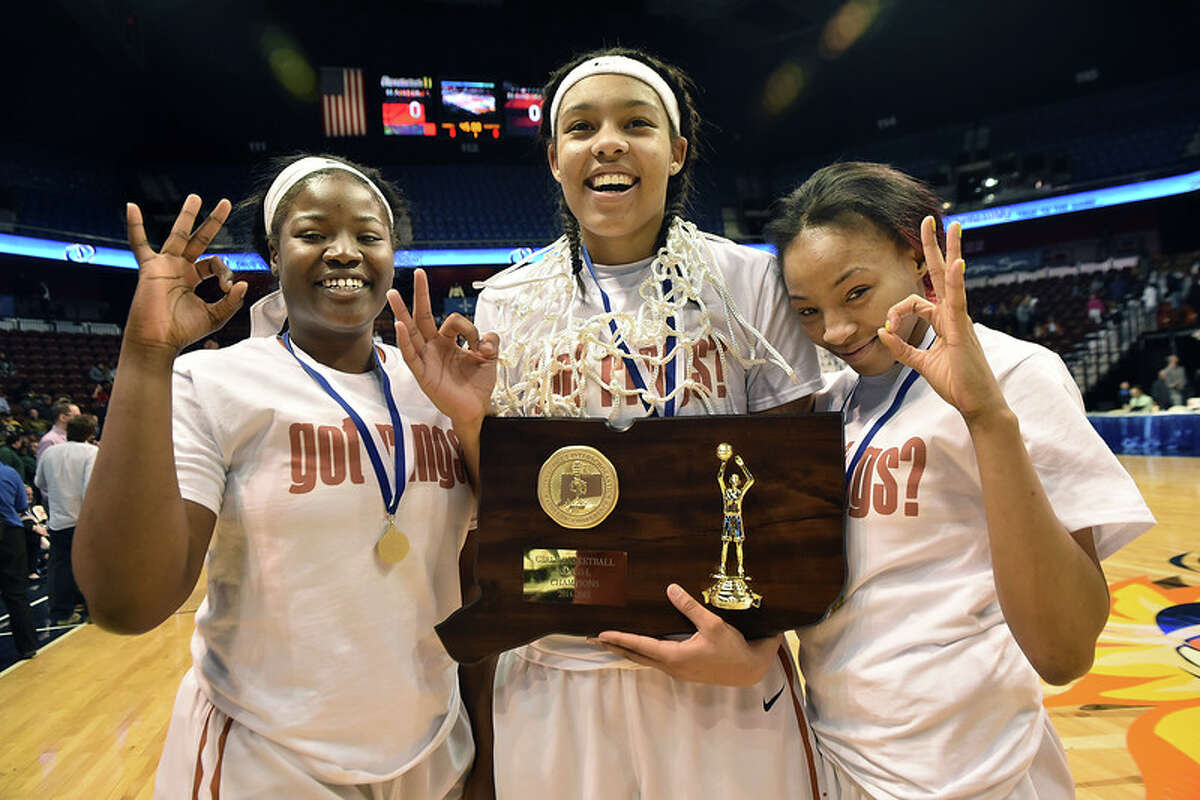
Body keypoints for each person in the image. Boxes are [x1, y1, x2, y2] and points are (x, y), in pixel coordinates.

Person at [74, 154, 498, 798]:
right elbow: (126, 605)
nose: (344, 251)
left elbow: (486, 580)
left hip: (434, 747)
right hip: (267, 754)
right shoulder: (213, 383)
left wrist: (471, 423)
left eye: (368, 235)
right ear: (274, 255)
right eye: (313, 233)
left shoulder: (438, 386)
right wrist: (146, 355)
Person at [472, 48, 824, 799]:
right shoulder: (507, 298)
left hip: (720, 656)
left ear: (677, 151)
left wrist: (757, 645)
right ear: (555, 159)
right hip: (559, 658)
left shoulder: (749, 280)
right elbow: (506, 507)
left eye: (637, 124)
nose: (608, 143)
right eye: (581, 127)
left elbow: (792, 481)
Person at [765, 161, 1155, 799]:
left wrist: (987, 419)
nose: (834, 331)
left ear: (920, 260)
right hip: (838, 752)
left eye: (856, 293)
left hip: (978, 766)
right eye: (808, 311)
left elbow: (1064, 652)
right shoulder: (827, 404)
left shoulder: (1016, 372)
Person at [34, 413, 99, 625]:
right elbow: (90, 487)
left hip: (57, 520)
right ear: (90, 434)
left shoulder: (50, 452)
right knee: (90, 565)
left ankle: (63, 613)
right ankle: (93, 610)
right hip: (82, 520)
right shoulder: (91, 452)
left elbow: (39, 482)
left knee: (60, 568)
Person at [0, 460, 38, 659]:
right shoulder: (9, 473)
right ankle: (27, 646)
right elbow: (22, 505)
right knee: (16, 593)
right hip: (10, 534)